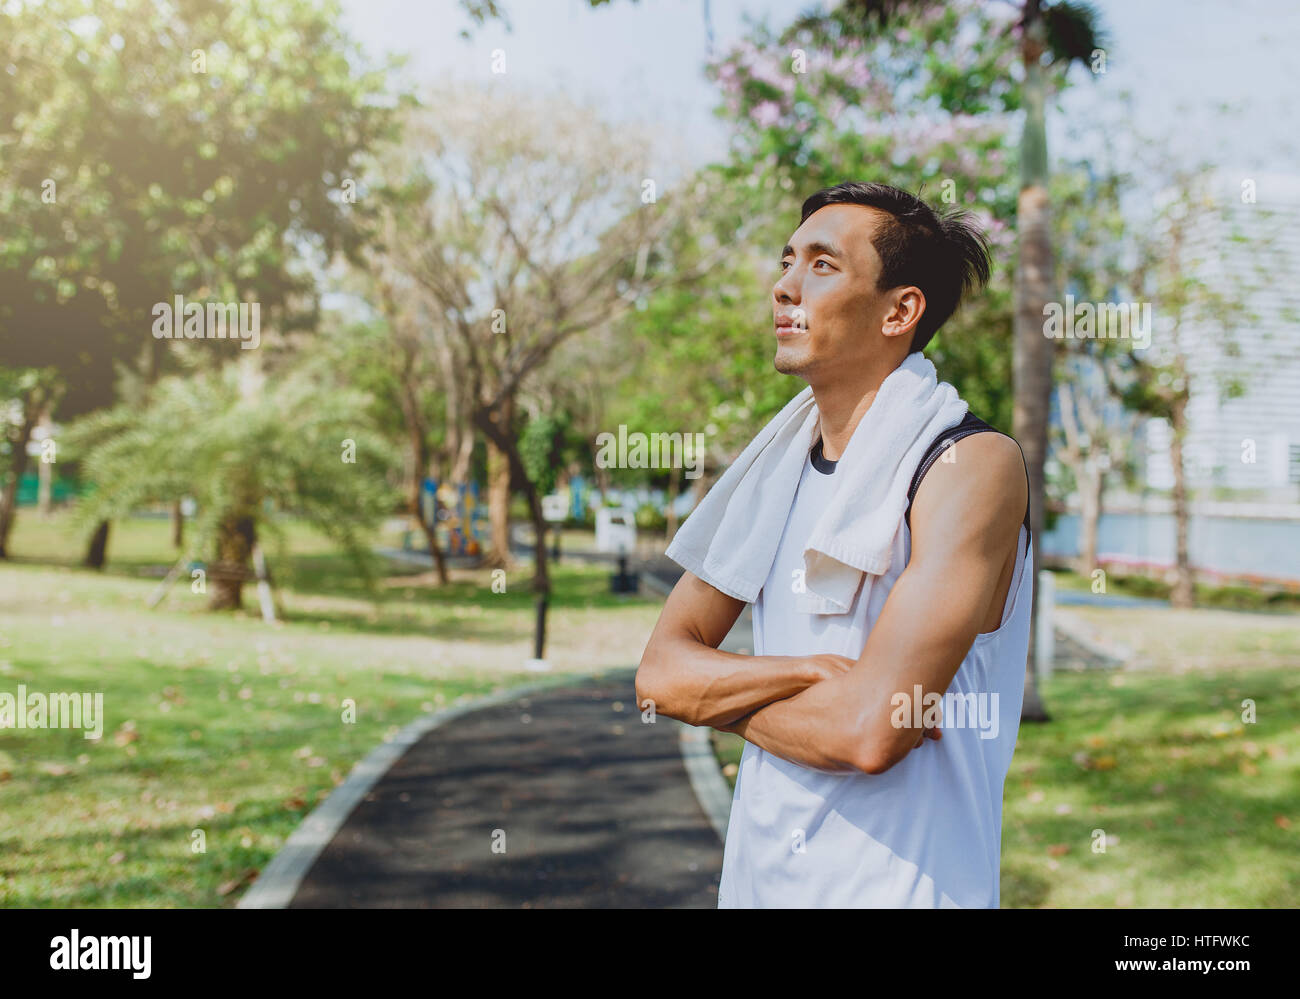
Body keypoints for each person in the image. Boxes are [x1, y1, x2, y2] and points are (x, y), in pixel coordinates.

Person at [636, 182, 1032, 908]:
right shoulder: (774, 469)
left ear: (900, 310)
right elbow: (659, 676)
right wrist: (811, 672)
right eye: (788, 261)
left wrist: (714, 695)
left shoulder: (965, 466)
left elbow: (870, 732)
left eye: (822, 265)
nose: (784, 287)